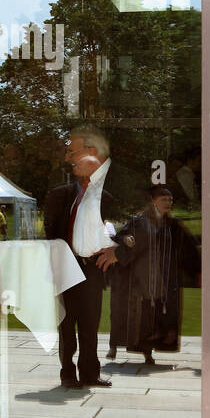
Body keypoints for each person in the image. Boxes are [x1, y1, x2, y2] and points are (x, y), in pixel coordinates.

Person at [45, 125, 122, 388]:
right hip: (66, 268)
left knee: (89, 325)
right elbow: (50, 235)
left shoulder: (107, 198)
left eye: (72, 152)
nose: (69, 159)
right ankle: (67, 374)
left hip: (91, 270)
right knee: (67, 326)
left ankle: (90, 373)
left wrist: (115, 246)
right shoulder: (59, 195)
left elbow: (116, 230)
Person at [99, 185, 199, 364]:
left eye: (170, 200)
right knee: (130, 314)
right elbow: (120, 237)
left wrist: (197, 270)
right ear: (154, 201)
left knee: (152, 316)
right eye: (163, 199)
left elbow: (188, 248)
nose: (168, 203)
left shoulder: (172, 225)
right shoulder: (140, 221)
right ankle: (115, 346)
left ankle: (147, 352)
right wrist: (124, 241)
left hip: (161, 278)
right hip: (137, 276)